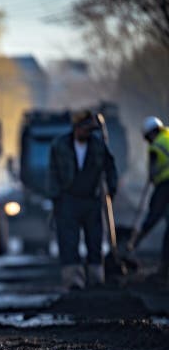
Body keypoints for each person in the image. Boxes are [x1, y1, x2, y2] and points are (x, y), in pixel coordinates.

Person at [48, 109, 118, 289]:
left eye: (90, 130)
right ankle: (73, 281)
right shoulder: (60, 145)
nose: (87, 133)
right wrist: (55, 196)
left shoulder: (98, 146)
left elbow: (110, 168)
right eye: (85, 129)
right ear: (76, 128)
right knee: (68, 241)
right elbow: (53, 172)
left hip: (91, 199)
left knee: (94, 240)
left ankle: (96, 279)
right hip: (67, 200)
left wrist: (112, 188)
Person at [127, 116, 169, 283]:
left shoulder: (156, 147)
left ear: (150, 134)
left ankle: (133, 244)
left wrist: (152, 176)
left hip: (165, 185)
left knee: (154, 215)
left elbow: (153, 172)